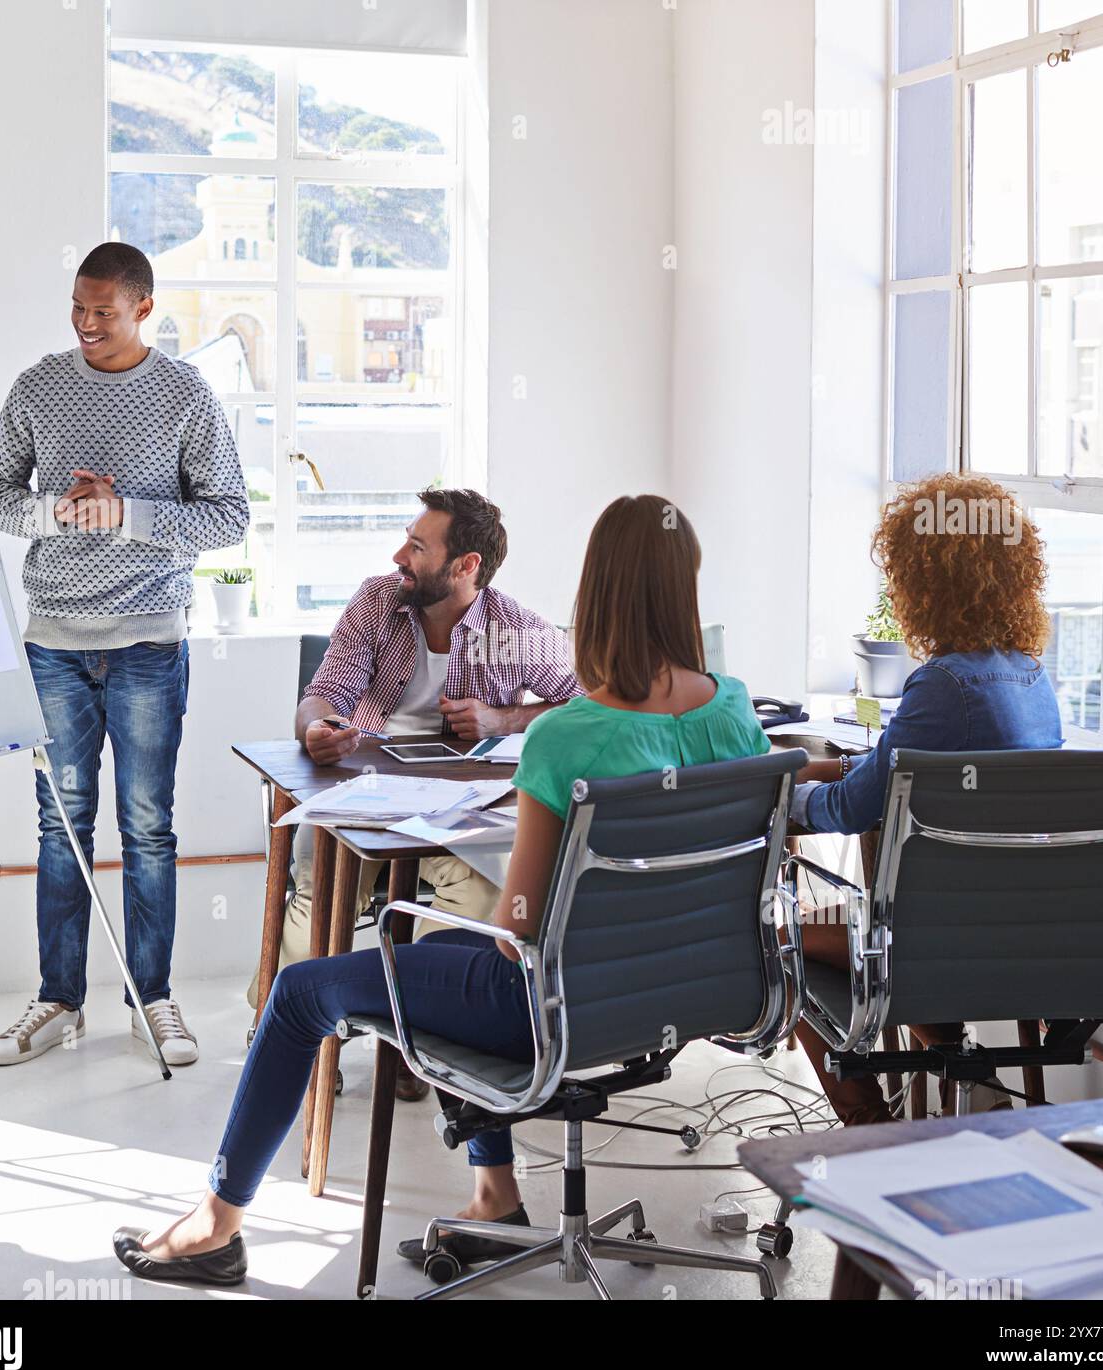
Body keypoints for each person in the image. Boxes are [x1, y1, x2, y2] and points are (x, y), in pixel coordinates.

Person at [112, 494, 771, 1286]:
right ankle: (493, 1197)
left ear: (592, 595)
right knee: (454, 948)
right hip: (679, 998)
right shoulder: (735, 712)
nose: (401, 555)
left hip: (549, 1005)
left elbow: (518, 931)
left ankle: (215, 1228)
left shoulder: (565, 738)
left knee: (300, 993)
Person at [0, 242, 249, 1068]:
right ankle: (58, 1000)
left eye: (103, 310)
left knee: (147, 828)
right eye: (77, 306)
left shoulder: (184, 396)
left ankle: (151, 997)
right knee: (60, 830)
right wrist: (59, 515)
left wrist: (126, 513)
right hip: (55, 644)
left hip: (147, 645)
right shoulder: (39, 386)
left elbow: (230, 518)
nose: (86, 323)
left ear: (144, 308)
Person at [259, 487, 582, 1102]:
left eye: (416, 546)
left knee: (488, 895)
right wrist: (316, 730)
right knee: (319, 888)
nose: (398, 556)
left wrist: (502, 721)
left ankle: (412, 1035)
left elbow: (588, 696)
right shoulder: (378, 602)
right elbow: (324, 691)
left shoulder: (511, 629)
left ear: (466, 567)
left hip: (451, 816)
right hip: (361, 803)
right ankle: (285, 1028)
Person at [790, 473, 1062, 1124]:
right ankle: (976, 1078)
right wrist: (862, 767)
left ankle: (871, 1133)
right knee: (917, 930)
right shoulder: (1031, 678)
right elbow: (914, 770)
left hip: (934, 942)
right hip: (1028, 938)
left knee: (777, 943)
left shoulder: (942, 684)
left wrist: (790, 800)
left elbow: (854, 810)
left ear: (927, 581)